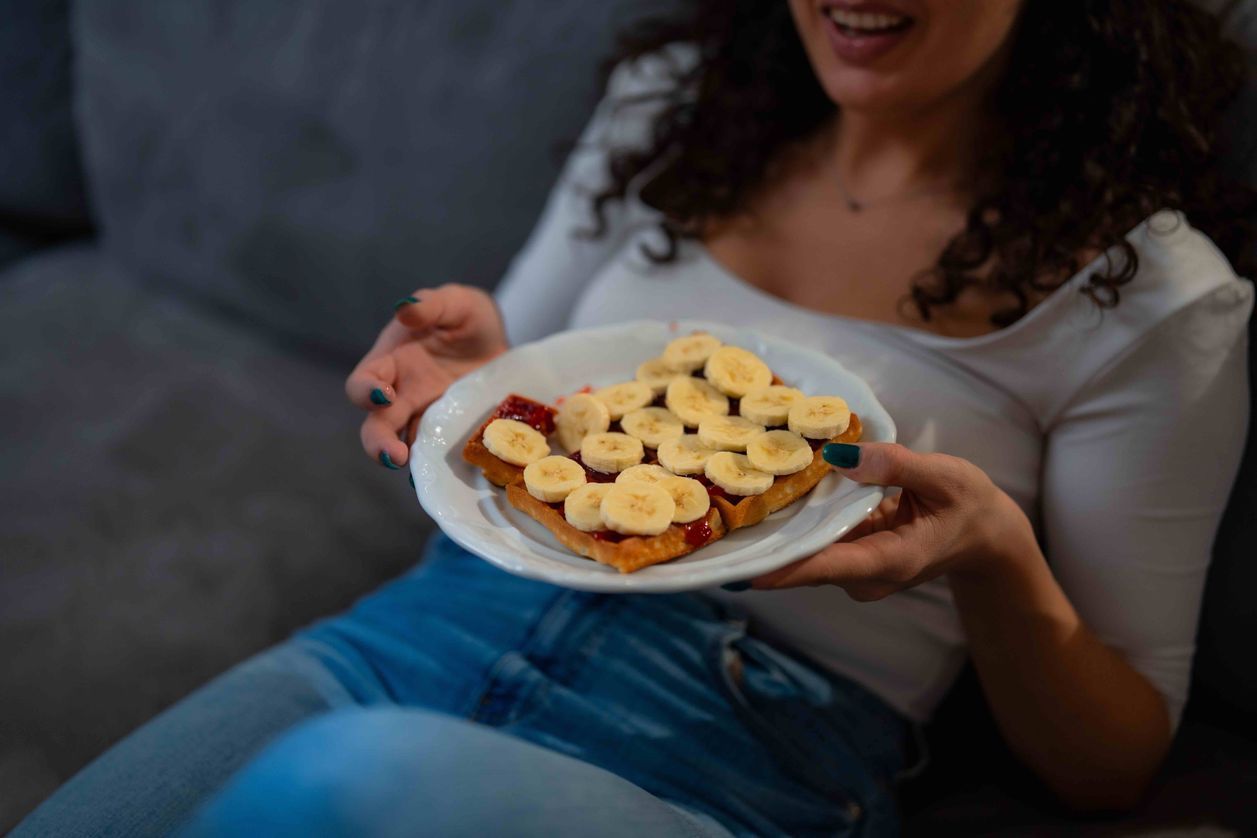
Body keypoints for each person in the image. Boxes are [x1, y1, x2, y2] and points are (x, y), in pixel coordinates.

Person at [16, 1, 1255, 836]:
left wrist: (992, 555)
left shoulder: (1152, 296)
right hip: (426, 629)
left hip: (733, 751)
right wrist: (483, 380)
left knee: (349, 783)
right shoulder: (675, 103)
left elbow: (1113, 761)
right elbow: (535, 389)